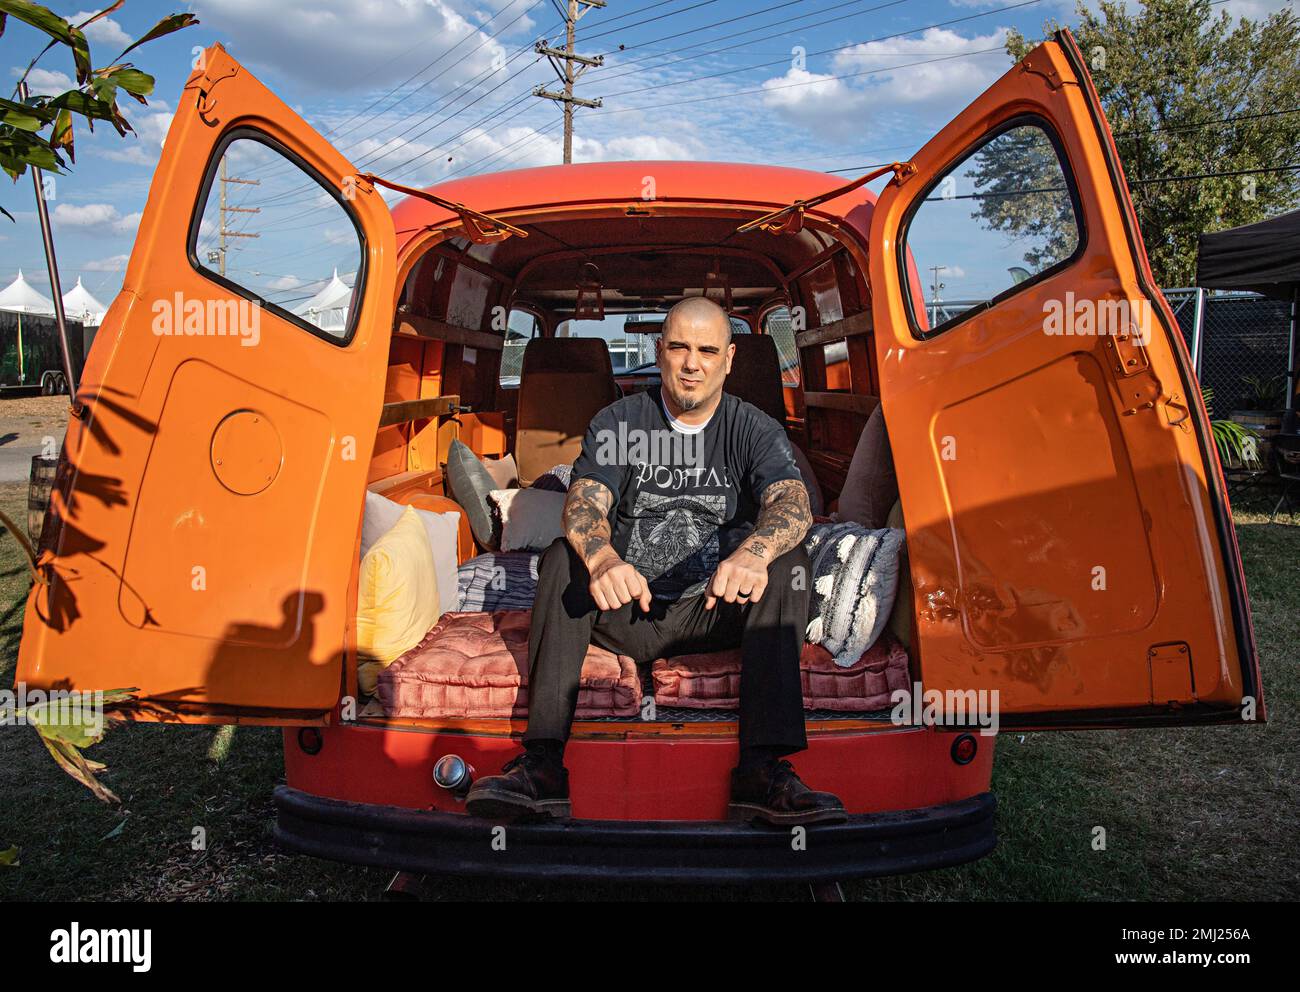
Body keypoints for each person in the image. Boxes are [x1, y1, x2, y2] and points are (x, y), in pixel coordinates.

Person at [465, 297, 846, 825]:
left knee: (788, 562)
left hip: (715, 609)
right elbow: (583, 502)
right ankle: (543, 767)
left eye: (708, 350)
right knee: (561, 558)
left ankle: (762, 774)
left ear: (729, 359)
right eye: (680, 347)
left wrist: (753, 553)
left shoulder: (753, 428)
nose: (693, 363)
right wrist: (601, 560)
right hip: (626, 607)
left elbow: (792, 501)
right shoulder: (620, 421)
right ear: (658, 351)